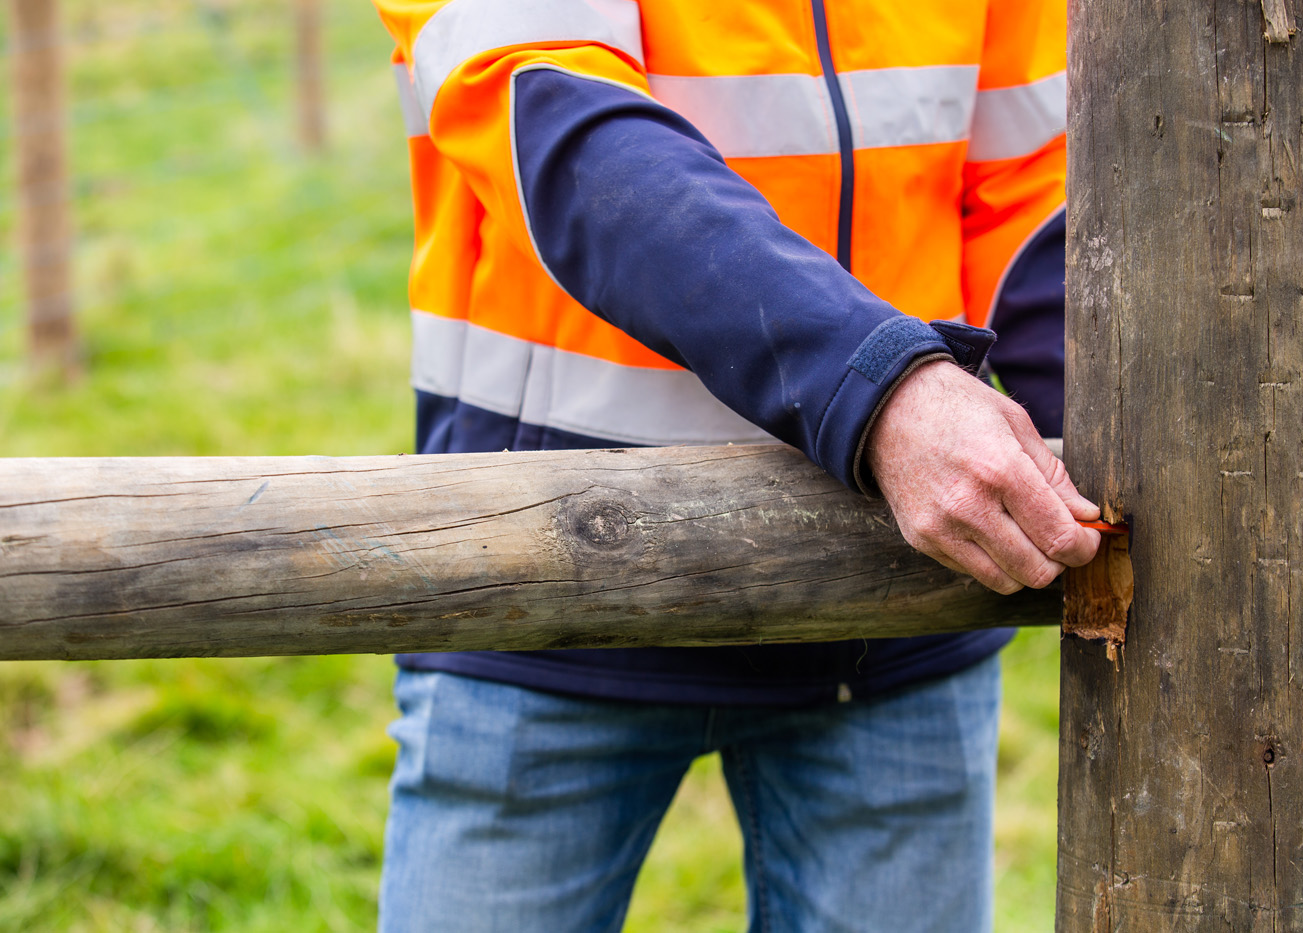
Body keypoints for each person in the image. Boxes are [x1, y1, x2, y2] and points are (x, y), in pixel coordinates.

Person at [371, 1, 1101, 930]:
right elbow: (568, 135)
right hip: (554, 582)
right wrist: (881, 387)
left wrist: (1144, 484)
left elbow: (1033, 199)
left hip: (900, 602)